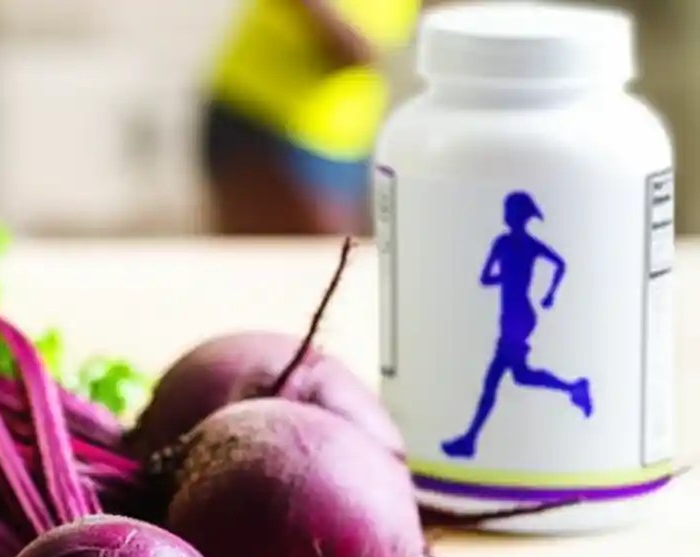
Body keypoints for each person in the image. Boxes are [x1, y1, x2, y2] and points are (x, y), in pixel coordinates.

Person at [202, 0, 422, 235]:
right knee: (282, 258)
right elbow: (352, 53)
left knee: (331, 257)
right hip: (263, 117)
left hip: (344, 137)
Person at [441, 191, 594, 459]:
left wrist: (548, 293)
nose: (506, 214)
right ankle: (573, 388)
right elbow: (488, 277)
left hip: (518, 317)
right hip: (514, 315)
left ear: (519, 215)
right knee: (521, 376)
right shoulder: (511, 244)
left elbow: (489, 278)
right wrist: (520, 282)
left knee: (493, 381)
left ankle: (469, 440)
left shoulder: (513, 244)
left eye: (510, 210)